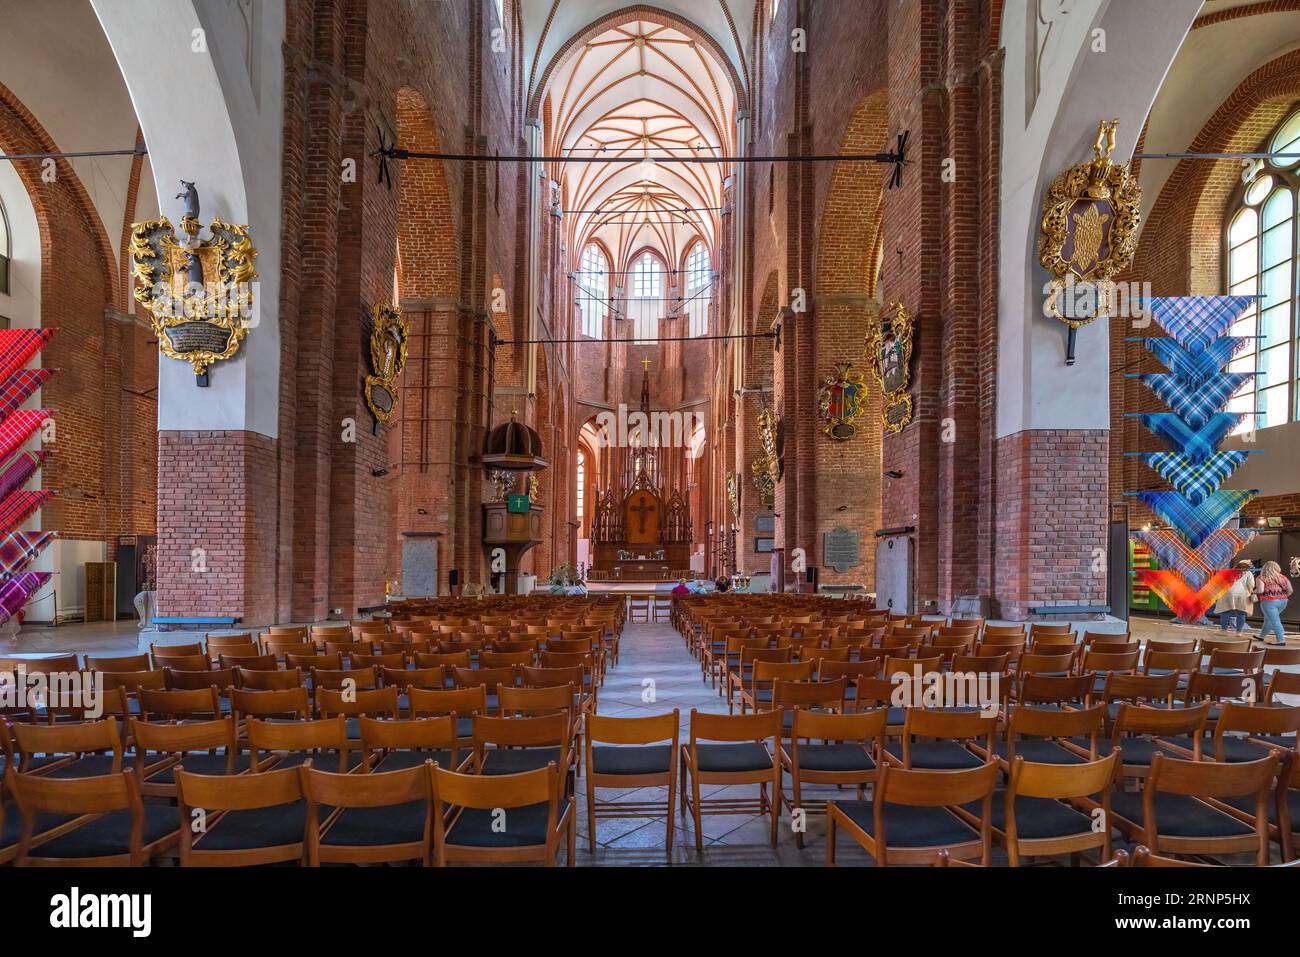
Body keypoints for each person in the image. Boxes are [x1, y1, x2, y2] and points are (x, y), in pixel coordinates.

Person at [1253, 560, 1292, 646]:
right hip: (1283, 601)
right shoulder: (1283, 577)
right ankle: (1261, 636)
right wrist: (1282, 597)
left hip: (1269, 602)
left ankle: (1281, 640)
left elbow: (1260, 590)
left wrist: (1253, 592)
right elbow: (1290, 590)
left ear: (1265, 568)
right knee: (1269, 620)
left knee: (1275, 621)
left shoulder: (1261, 577)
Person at [1212, 560, 1254, 633]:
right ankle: (1239, 632)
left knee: (1225, 612)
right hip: (1242, 594)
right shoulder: (1248, 573)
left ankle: (1223, 631)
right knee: (1241, 613)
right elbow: (1251, 585)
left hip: (1227, 593)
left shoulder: (1228, 571)